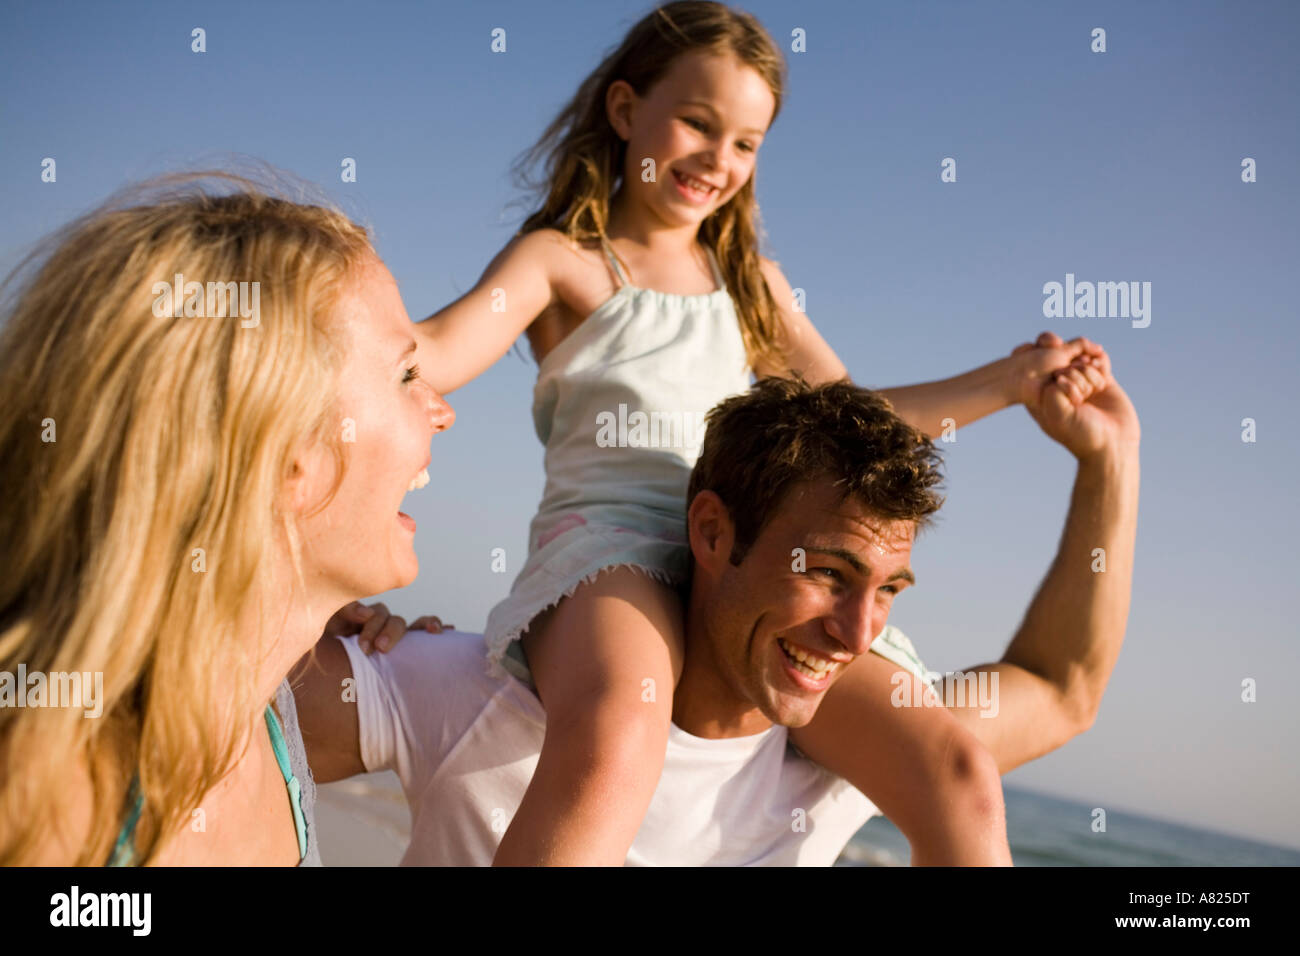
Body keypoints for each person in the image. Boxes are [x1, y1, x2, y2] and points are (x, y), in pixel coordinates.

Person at [409, 0, 1108, 865]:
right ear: (626, 111)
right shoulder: (564, 263)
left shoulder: (752, 287)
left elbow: (859, 424)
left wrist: (1010, 382)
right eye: (698, 123)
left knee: (956, 763)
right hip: (615, 550)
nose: (719, 159)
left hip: (756, 557)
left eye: (746, 142)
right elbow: (432, 350)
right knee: (620, 728)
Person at [294, 363, 1140, 865]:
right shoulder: (481, 700)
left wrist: (1112, 459)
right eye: (828, 574)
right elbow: (188, 715)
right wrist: (296, 610)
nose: (857, 634)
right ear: (711, 532)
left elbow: (1063, 690)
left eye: (888, 590)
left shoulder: (849, 764)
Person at [0, 173, 453, 865]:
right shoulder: (52, 786)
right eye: (404, 376)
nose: (443, 410)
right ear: (285, 454)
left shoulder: (270, 721)